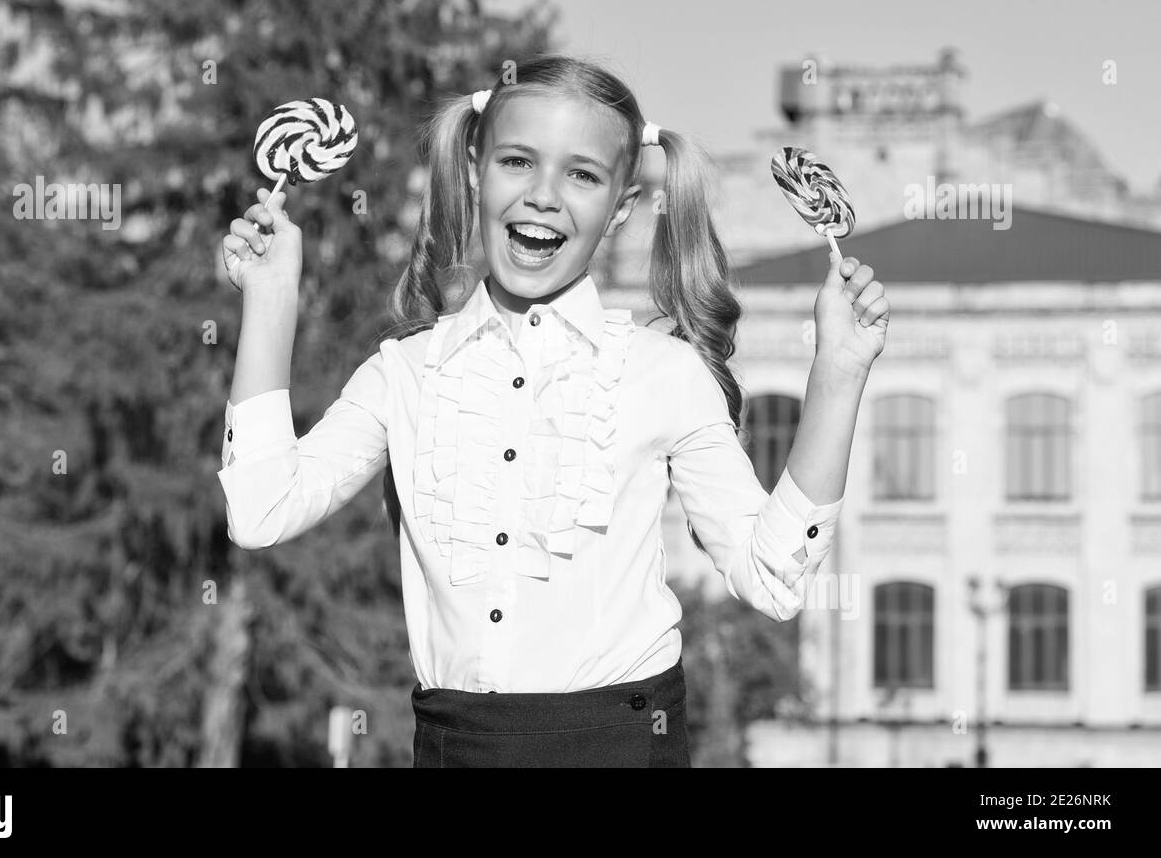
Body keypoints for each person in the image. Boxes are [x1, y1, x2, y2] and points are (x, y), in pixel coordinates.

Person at [218, 54, 890, 767]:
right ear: (475, 171)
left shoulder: (664, 373)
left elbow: (772, 577)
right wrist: (269, 299)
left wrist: (839, 374)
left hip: (624, 746)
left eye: (582, 174)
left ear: (622, 205)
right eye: (518, 161)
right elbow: (260, 512)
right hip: (453, 745)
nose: (544, 195)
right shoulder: (407, 371)